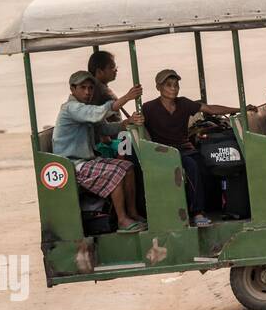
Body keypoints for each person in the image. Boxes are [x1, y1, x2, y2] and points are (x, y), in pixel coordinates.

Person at [141, 69, 245, 226]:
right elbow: (137, 124)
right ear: (158, 88)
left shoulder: (183, 103)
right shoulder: (149, 108)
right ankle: (197, 213)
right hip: (165, 153)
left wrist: (240, 109)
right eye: (169, 85)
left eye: (176, 85)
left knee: (208, 163)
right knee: (192, 166)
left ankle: (216, 205)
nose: (173, 88)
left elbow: (210, 109)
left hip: (185, 148)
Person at [52, 71, 146, 231]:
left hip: (89, 160)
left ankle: (132, 213)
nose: (88, 92)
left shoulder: (84, 109)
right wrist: (127, 97)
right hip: (73, 165)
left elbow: (104, 128)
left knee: (128, 167)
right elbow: (97, 114)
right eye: (83, 88)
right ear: (72, 89)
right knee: (114, 172)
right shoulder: (71, 108)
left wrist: (126, 123)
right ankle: (122, 220)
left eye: (90, 88)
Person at [87, 49, 125, 123]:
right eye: (112, 67)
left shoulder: (101, 87)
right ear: (99, 72)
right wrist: (128, 97)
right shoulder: (98, 90)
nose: (116, 70)